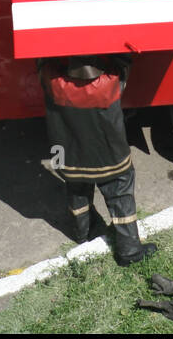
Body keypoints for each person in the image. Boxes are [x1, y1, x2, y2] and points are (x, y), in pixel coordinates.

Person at [39, 55, 157, 266]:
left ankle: (84, 236)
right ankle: (129, 253)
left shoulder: (53, 81)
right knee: (122, 202)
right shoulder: (112, 81)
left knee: (78, 196)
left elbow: (42, 64)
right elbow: (125, 61)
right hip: (110, 158)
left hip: (68, 157)